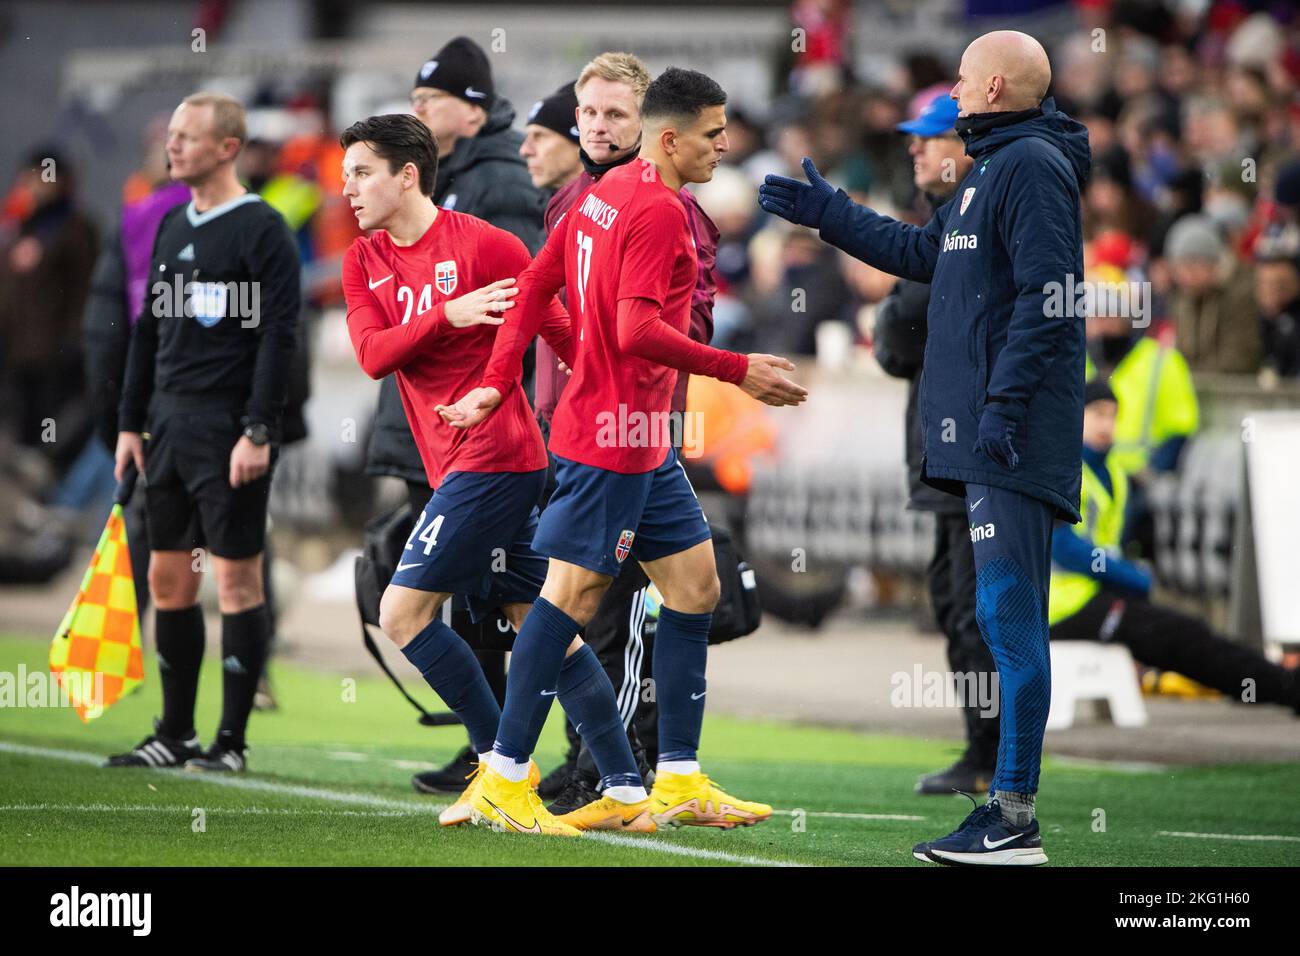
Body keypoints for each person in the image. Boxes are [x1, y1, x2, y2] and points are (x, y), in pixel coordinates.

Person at [439, 67, 807, 835]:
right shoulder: (660, 211)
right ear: (671, 138)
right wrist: (741, 371)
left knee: (697, 587)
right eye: (713, 133)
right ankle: (505, 774)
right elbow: (637, 330)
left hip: (639, 438)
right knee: (566, 600)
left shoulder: (595, 194)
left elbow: (536, 285)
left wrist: (497, 382)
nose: (725, 144)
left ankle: (674, 778)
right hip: (610, 438)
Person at [761, 30, 1089, 865]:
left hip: (1007, 438)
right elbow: (920, 255)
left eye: (962, 77)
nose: (954, 85)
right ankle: (1006, 808)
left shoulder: (1031, 169)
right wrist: (829, 214)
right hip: (987, 433)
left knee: (1010, 621)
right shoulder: (992, 172)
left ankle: (1014, 815)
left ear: (992, 88)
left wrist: (1004, 408)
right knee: (996, 615)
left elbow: (1049, 301)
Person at [339, 113, 580, 827]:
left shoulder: (487, 244)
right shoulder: (364, 260)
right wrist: (452, 313)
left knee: (401, 612)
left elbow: (557, 325)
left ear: (406, 175)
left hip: (499, 458)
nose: (346, 188)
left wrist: (608, 394)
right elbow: (375, 354)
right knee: (543, 618)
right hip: (452, 466)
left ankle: (498, 762)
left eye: (360, 172)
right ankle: (624, 779)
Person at [530, 53, 726, 815]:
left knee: (616, 607)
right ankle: (580, 767)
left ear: (651, 124)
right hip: (579, 423)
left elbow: (684, 324)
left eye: (615, 114)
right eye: (589, 113)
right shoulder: (586, 198)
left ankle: (621, 766)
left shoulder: (669, 209)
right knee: (567, 601)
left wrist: (608, 351)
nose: (598, 126)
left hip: (633, 430)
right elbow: (547, 300)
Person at [108, 92, 300, 773]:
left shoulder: (262, 229)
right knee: (168, 579)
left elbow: (280, 337)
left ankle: (232, 742)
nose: (174, 147)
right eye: (173, 135)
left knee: (238, 582)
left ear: (227, 147)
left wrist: (258, 428)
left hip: (228, 429)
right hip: (168, 425)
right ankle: (175, 732)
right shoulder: (169, 225)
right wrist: (131, 422)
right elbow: (148, 333)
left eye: (189, 136)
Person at [382, 36, 550, 794]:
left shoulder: (501, 184)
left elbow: (526, 310)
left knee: (483, 594)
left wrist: (493, 394)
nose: (417, 109)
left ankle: (499, 753)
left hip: (484, 431)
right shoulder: (449, 182)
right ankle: (511, 752)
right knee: (501, 592)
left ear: (473, 106)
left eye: (430, 99)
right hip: (442, 425)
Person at [871, 91, 995, 795]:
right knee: (955, 605)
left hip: (971, 456)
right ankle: (983, 757)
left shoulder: (972, 222)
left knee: (977, 610)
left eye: (930, 138)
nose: (915, 149)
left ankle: (996, 763)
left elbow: (896, 332)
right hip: (946, 456)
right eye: (913, 139)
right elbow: (896, 337)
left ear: (967, 146)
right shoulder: (941, 223)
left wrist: (894, 314)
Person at [1050, 381, 1299, 712]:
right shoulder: (1058, 470)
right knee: (1177, 638)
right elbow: (1063, 547)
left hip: (1095, 597)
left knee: (1187, 634)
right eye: (1096, 414)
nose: (1106, 425)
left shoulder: (1115, 475)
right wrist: (1134, 577)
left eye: (1112, 416)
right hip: (1060, 606)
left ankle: (1280, 684)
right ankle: (1284, 686)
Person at [520, 82, 582, 193]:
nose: (525, 151)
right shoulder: (551, 202)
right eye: (528, 136)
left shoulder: (609, 205)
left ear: (581, 143)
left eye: (539, 136)